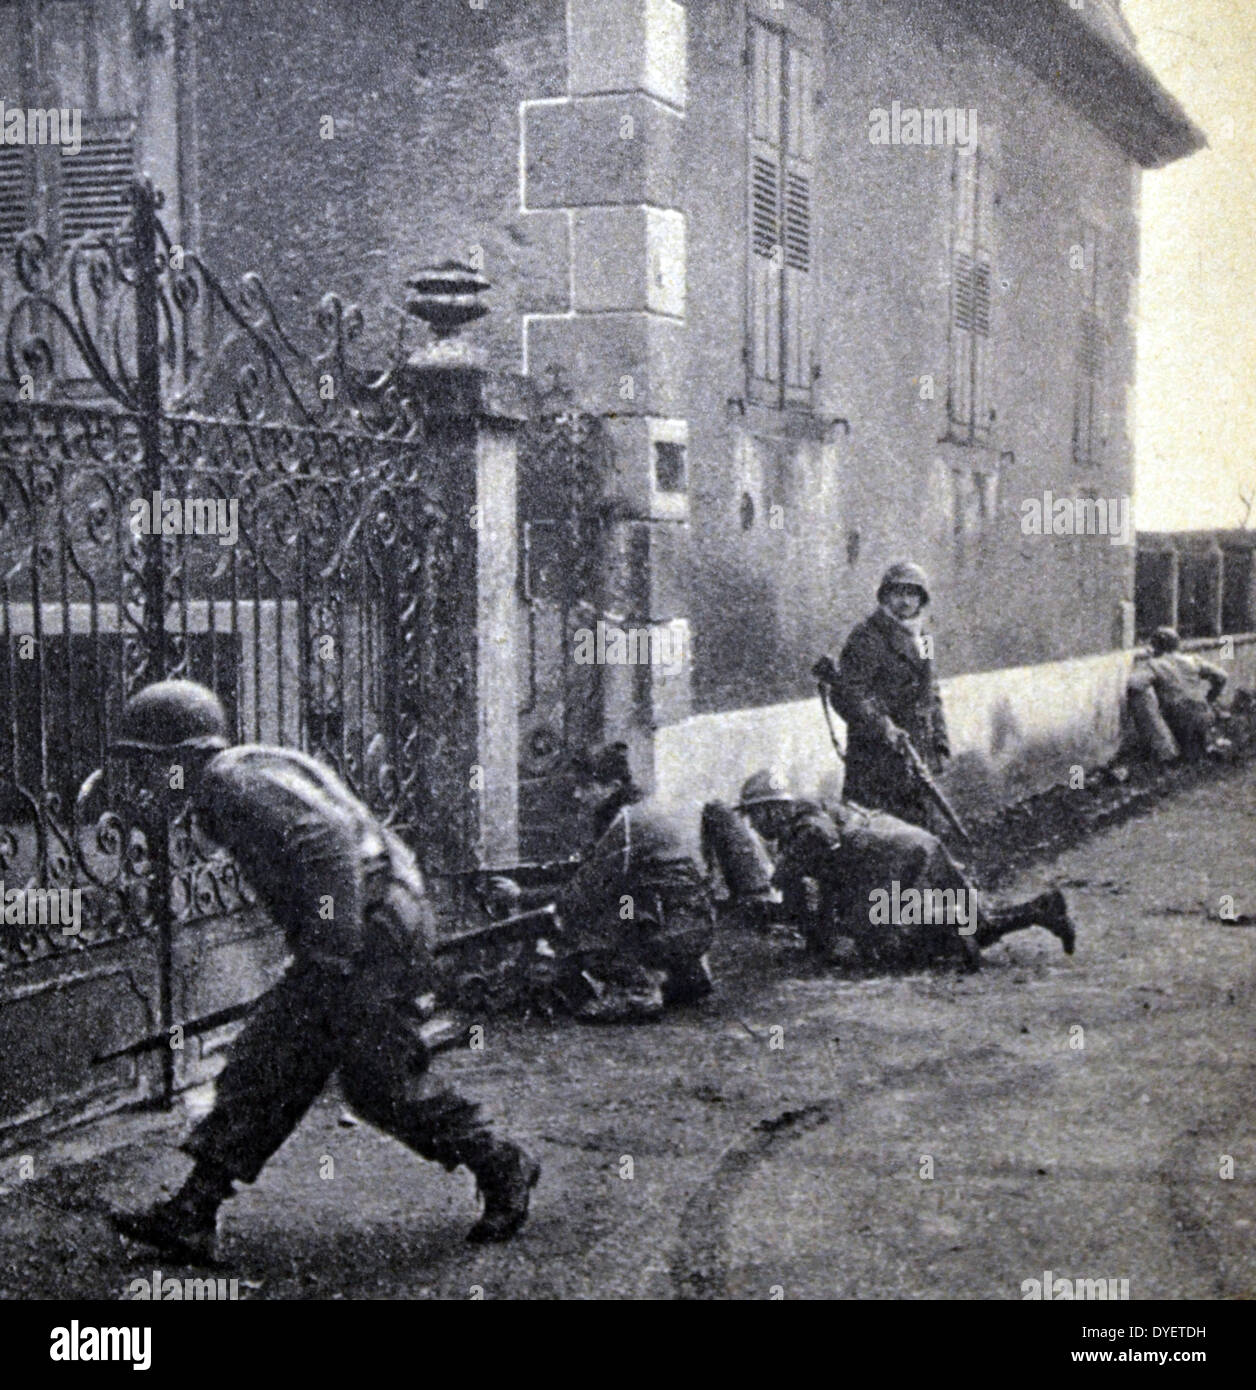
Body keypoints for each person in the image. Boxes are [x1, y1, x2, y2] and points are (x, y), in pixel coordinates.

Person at [108, 680, 539, 1263]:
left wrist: (330, 951)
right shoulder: (246, 770)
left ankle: (502, 1161)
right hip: (376, 925)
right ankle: (192, 1212)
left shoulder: (228, 783)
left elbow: (328, 843)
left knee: (373, 1084)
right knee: (272, 1060)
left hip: (371, 935)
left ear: (181, 756)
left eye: (149, 765)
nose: (146, 781)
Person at [718, 770, 1074, 972]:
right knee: (971, 913)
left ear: (774, 810)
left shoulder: (805, 830)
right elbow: (826, 887)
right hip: (914, 842)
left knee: (882, 940)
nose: (754, 825)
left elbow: (804, 882)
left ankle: (946, 924)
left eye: (755, 814)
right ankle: (1039, 910)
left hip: (892, 857)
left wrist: (819, 939)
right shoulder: (811, 812)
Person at [551, 742, 716, 1022]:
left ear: (612, 786)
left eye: (585, 786)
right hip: (696, 924)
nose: (577, 795)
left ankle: (638, 993)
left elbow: (585, 891)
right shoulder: (650, 808)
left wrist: (521, 896)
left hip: (673, 931)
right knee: (632, 901)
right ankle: (687, 975)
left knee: (580, 929)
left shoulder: (627, 822)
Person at [822, 561, 950, 829]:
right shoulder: (867, 638)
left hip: (916, 753)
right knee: (879, 835)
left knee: (921, 830)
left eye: (912, 593)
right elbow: (847, 696)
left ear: (921, 600)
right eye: (897, 593)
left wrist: (940, 742)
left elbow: (931, 691)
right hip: (876, 760)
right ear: (885, 597)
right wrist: (883, 727)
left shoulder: (924, 639)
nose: (905, 601)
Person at [1126, 626, 1227, 763]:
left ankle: (1169, 752)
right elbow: (1222, 676)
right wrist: (1210, 698)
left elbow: (1134, 684)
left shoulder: (1154, 664)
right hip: (1204, 715)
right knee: (1195, 750)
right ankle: (1201, 750)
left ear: (1155, 645)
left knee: (1140, 696)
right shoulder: (1192, 660)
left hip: (1177, 718)